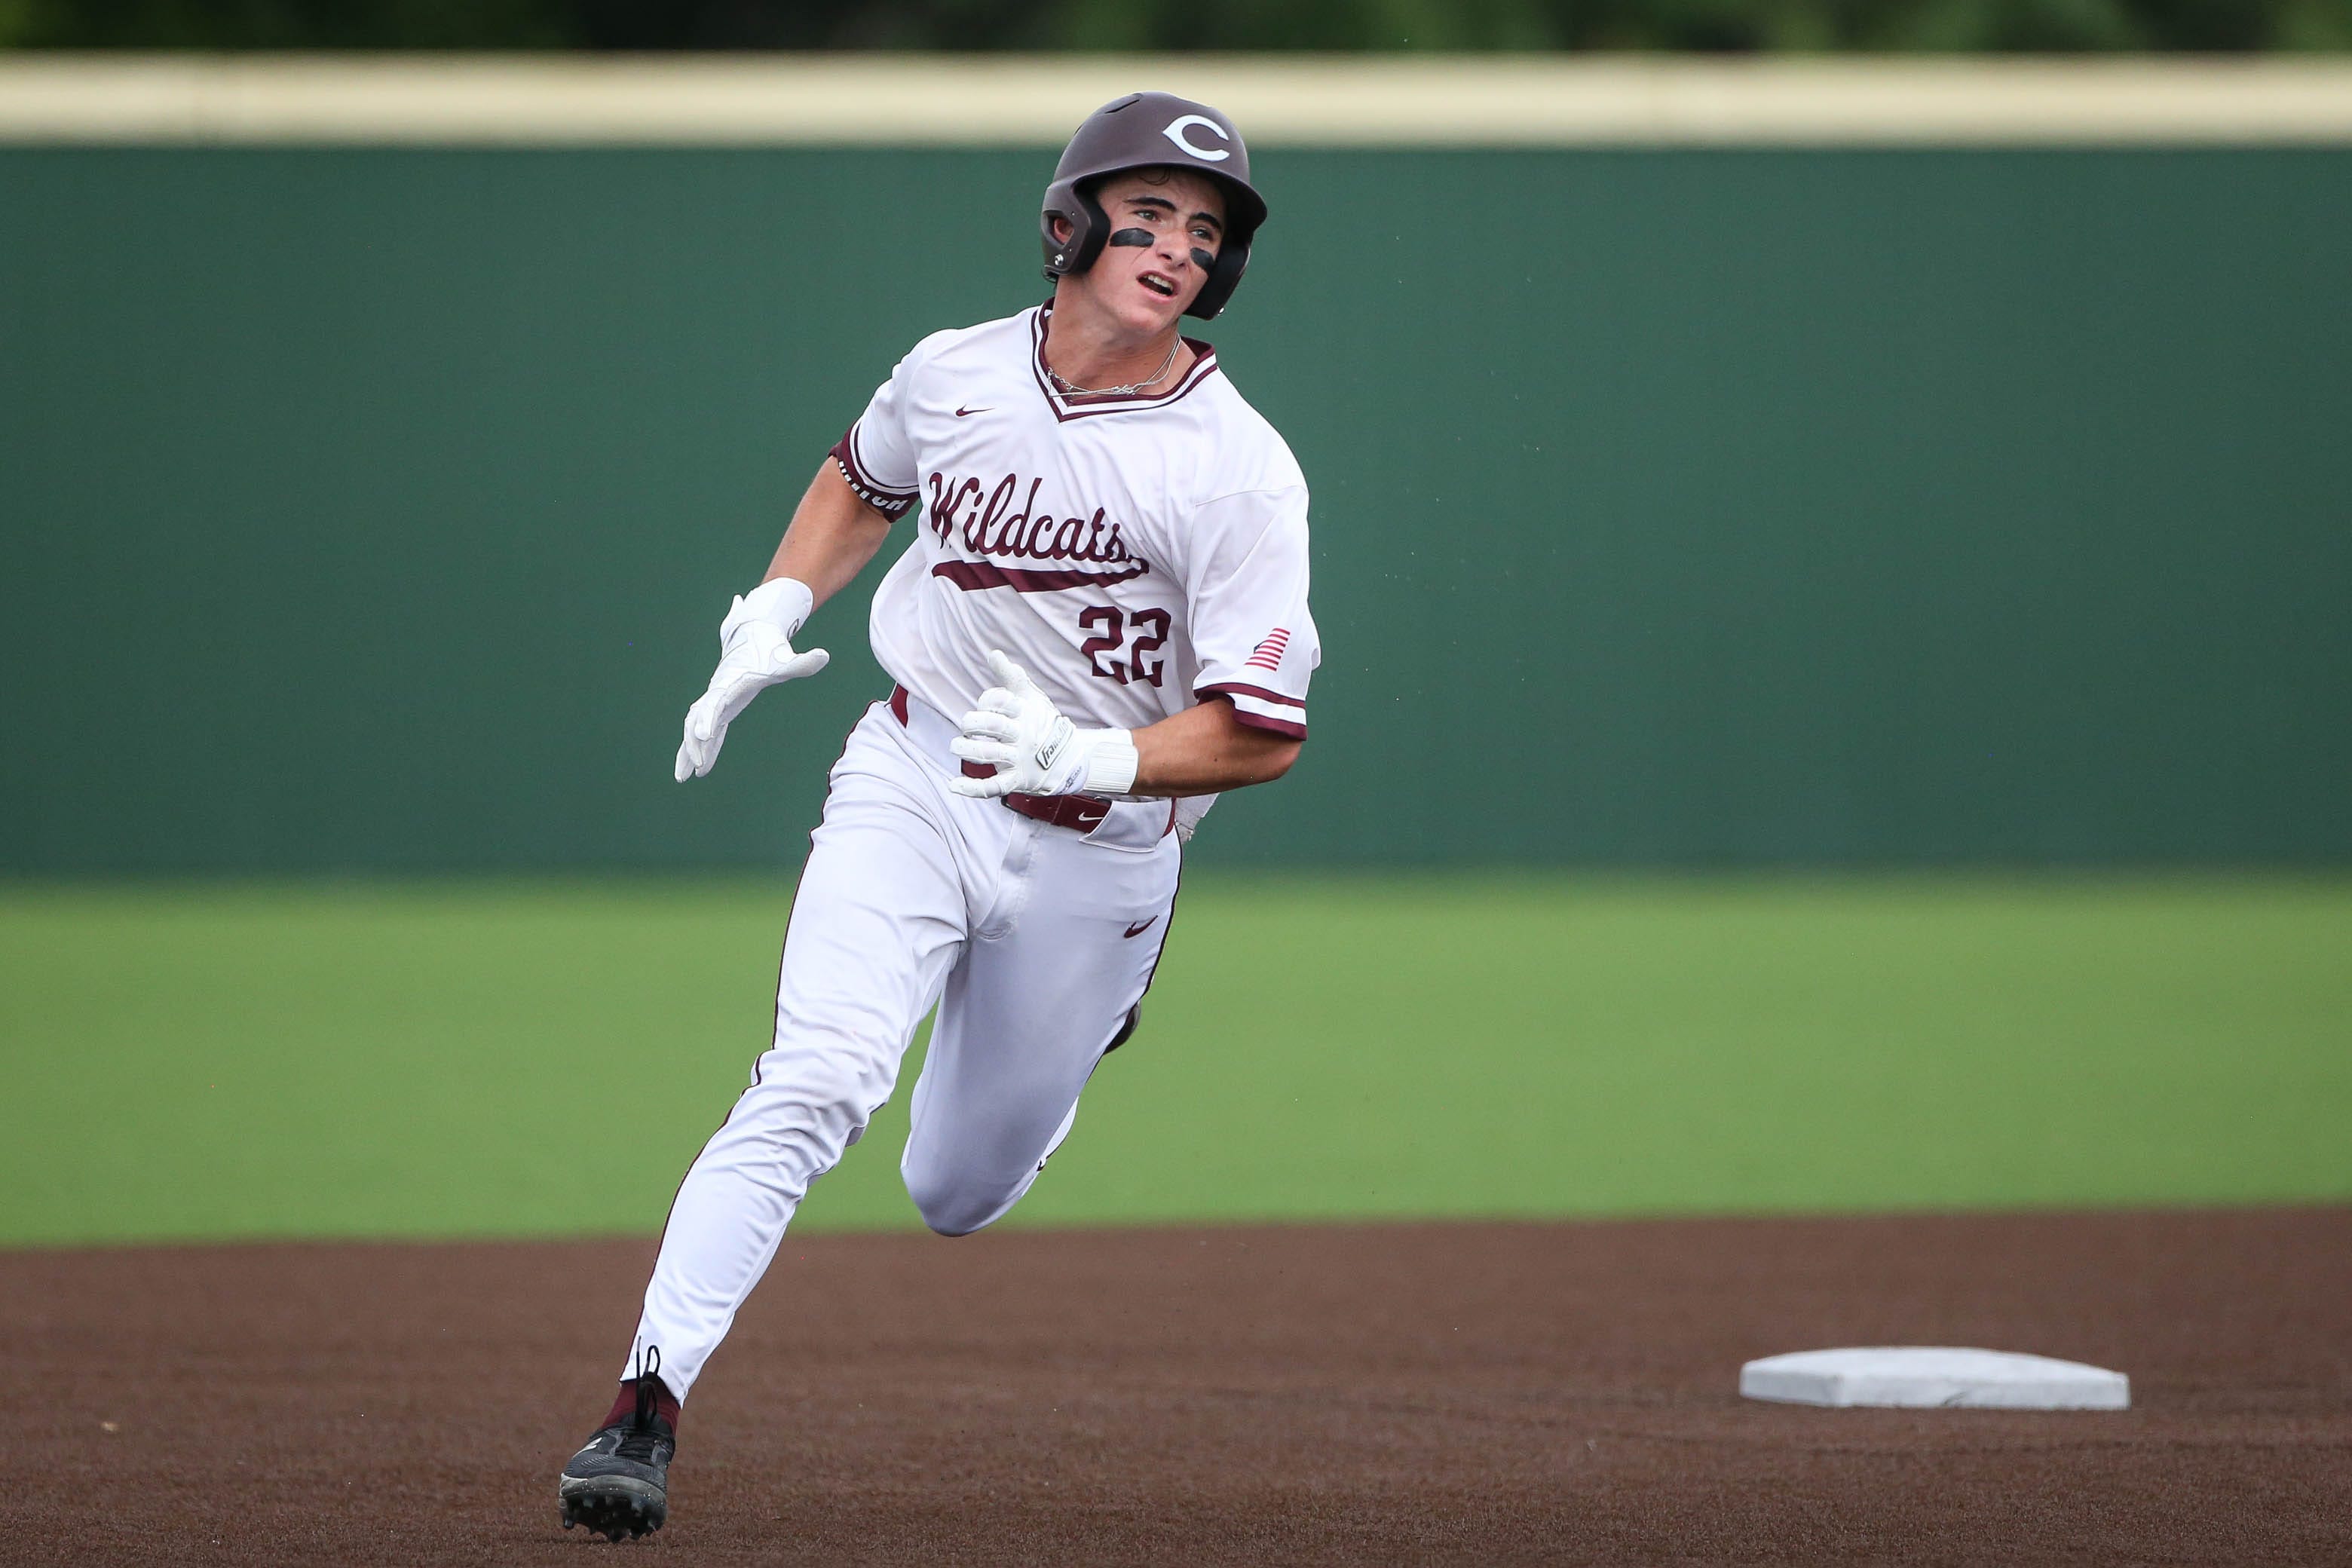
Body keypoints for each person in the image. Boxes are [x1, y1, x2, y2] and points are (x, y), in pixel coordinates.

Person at [556, 91, 1319, 1542]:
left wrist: (1099, 760)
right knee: (822, 1072)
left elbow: (1262, 734)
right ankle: (642, 1404)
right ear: (1072, 221)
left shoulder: (1238, 468)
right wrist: (773, 608)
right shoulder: (956, 370)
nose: (1173, 245)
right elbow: (866, 477)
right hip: (918, 775)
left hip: (1104, 846)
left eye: (1204, 229)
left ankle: (1100, 1005)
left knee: (954, 1189)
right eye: (1147, 212)